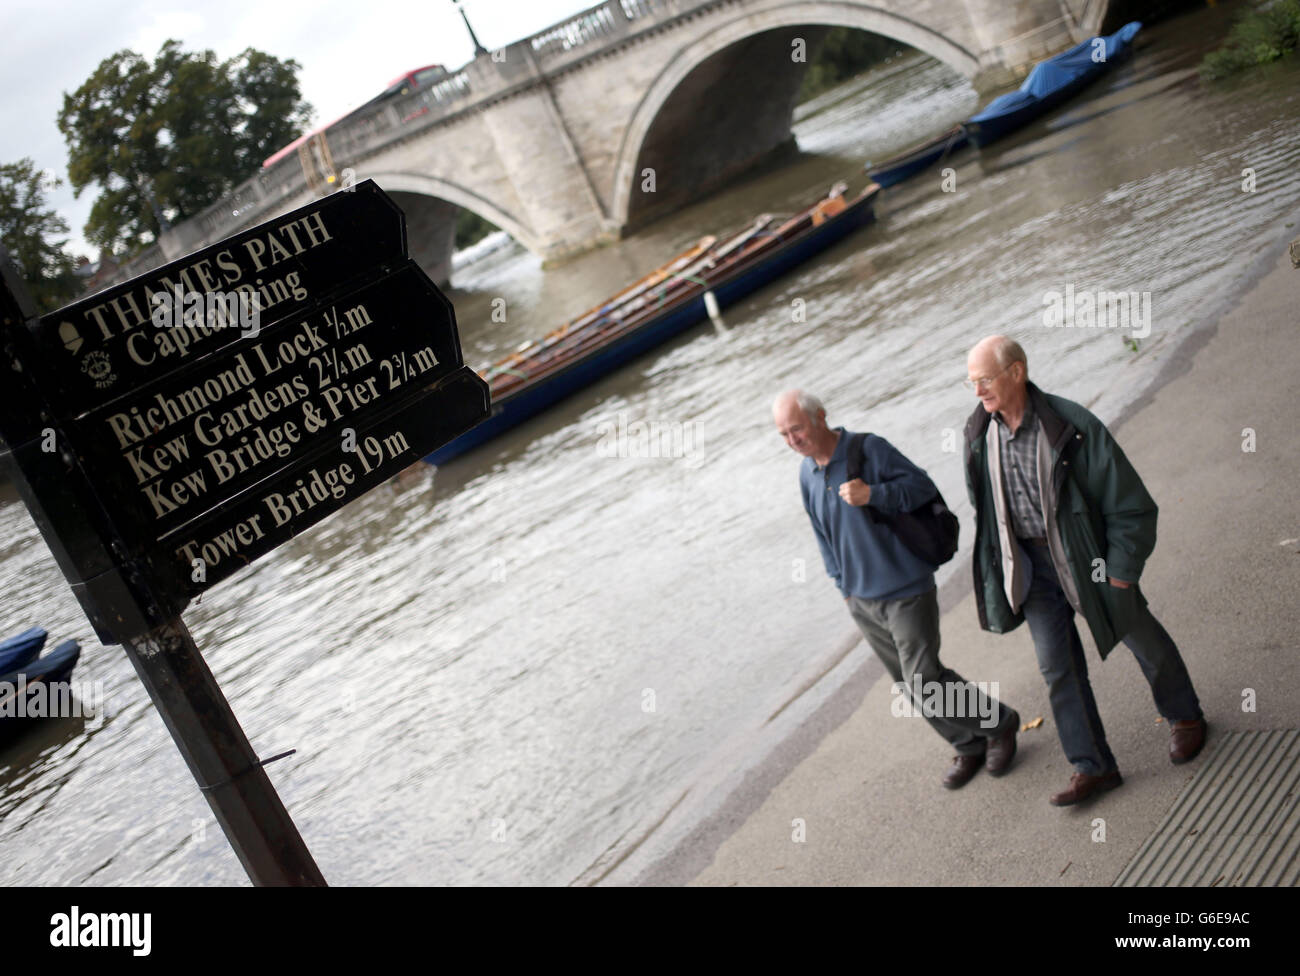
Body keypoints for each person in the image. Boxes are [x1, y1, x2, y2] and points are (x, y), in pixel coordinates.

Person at [962, 336, 1207, 806]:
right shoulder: (978, 435)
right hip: (1031, 568)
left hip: (1087, 557)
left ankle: (1187, 717)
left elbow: (1130, 505)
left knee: (1139, 635)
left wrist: (1120, 572)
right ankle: (1093, 768)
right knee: (1057, 668)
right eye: (971, 383)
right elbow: (986, 513)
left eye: (985, 380)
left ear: (1017, 372)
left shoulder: (1071, 425)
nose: (977, 392)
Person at [773, 389, 1020, 789]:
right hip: (861, 599)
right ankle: (967, 743)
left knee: (923, 679)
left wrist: (874, 494)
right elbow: (822, 535)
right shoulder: (806, 473)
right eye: (783, 434)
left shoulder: (868, 449)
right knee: (909, 685)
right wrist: (842, 586)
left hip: (905, 587)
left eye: (796, 428)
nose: (792, 440)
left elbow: (921, 488)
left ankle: (1000, 723)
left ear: (820, 415)